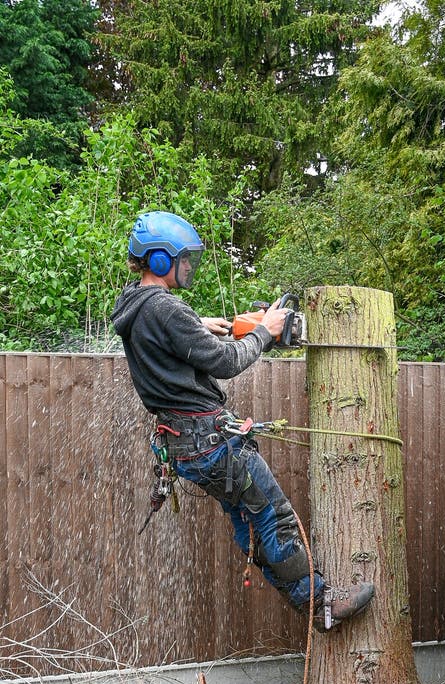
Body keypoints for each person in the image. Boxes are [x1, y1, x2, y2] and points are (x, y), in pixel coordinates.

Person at [111, 210, 374, 632]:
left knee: (248, 523)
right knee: (274, 517)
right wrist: (265, 332)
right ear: (159, 261)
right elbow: (228, 361)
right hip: (214, 445)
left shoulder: (133, 305)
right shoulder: (165, 309)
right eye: (182, 259)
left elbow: (158, 333)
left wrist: (197, 326)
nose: (188, 267)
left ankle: (308, 604)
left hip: (184, 450)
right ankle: (320, 603)